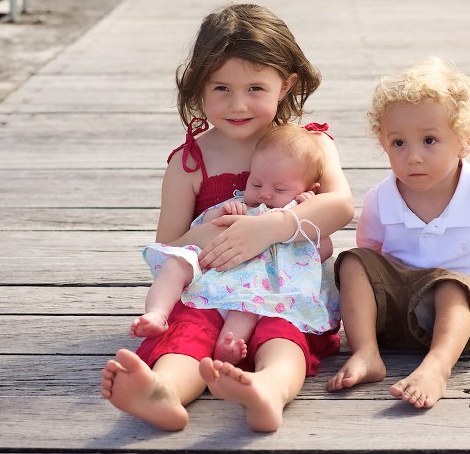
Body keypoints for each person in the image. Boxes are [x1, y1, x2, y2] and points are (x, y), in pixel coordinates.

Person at [100, 3, 353, 432]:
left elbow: (340, 206)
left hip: (281, 292)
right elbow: (168, 246)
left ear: (286, 83)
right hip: (212, 290)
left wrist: (269, 228)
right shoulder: (190, 163)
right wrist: (212, 229)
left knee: (282, 338)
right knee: (187, 335)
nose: (238, 104)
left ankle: (270, 390)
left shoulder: (311, 146)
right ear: (199, 87)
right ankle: (163, 392)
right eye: (222, 88)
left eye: (256, 88)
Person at [326, 57, 470, 409]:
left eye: (429, 140)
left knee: (450, 285)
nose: (413, 157)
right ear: (383, 142)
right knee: (352, 261)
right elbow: (372, 260)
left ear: (465, 143)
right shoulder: (382, 198)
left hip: (469, 312)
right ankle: (366, 353)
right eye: (398, 143)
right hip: (403, 314)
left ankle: (437, 367)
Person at [132, 123, 339, 365]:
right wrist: (220, 213)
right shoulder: (241, 203)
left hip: (256, 285)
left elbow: (323, 251)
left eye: (279, 188)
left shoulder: (297, 216)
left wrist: (305, 211)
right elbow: (199, 228)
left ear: (308, 190)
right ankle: (157, 313)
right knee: (176, 264)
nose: (265, 194)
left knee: (250, 304)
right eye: (256, 183)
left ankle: (228, 346)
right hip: (215, 271)